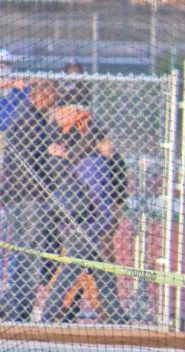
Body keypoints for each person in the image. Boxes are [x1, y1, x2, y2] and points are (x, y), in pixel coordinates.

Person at [0, 81, 66, 322]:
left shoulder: (36, 119)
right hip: (26, 196)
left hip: (26, 195)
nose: (55, 102)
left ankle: (11, 303)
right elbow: (29, 161)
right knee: (29, 252)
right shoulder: (29, 118)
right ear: (41, 96)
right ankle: (18, 308)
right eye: (53, 96)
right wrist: (50, 154)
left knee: (27, 251)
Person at [44, 116, 127, 325]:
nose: (109, 144)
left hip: (79, 227)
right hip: (86, 229)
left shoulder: (78, 160)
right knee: (71, 273)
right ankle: (49, 313)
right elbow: (99, 201)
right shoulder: (94, 164)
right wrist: (105, 222)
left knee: (103, 273)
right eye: (104, 140)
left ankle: (115, 315)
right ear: (95, 142)